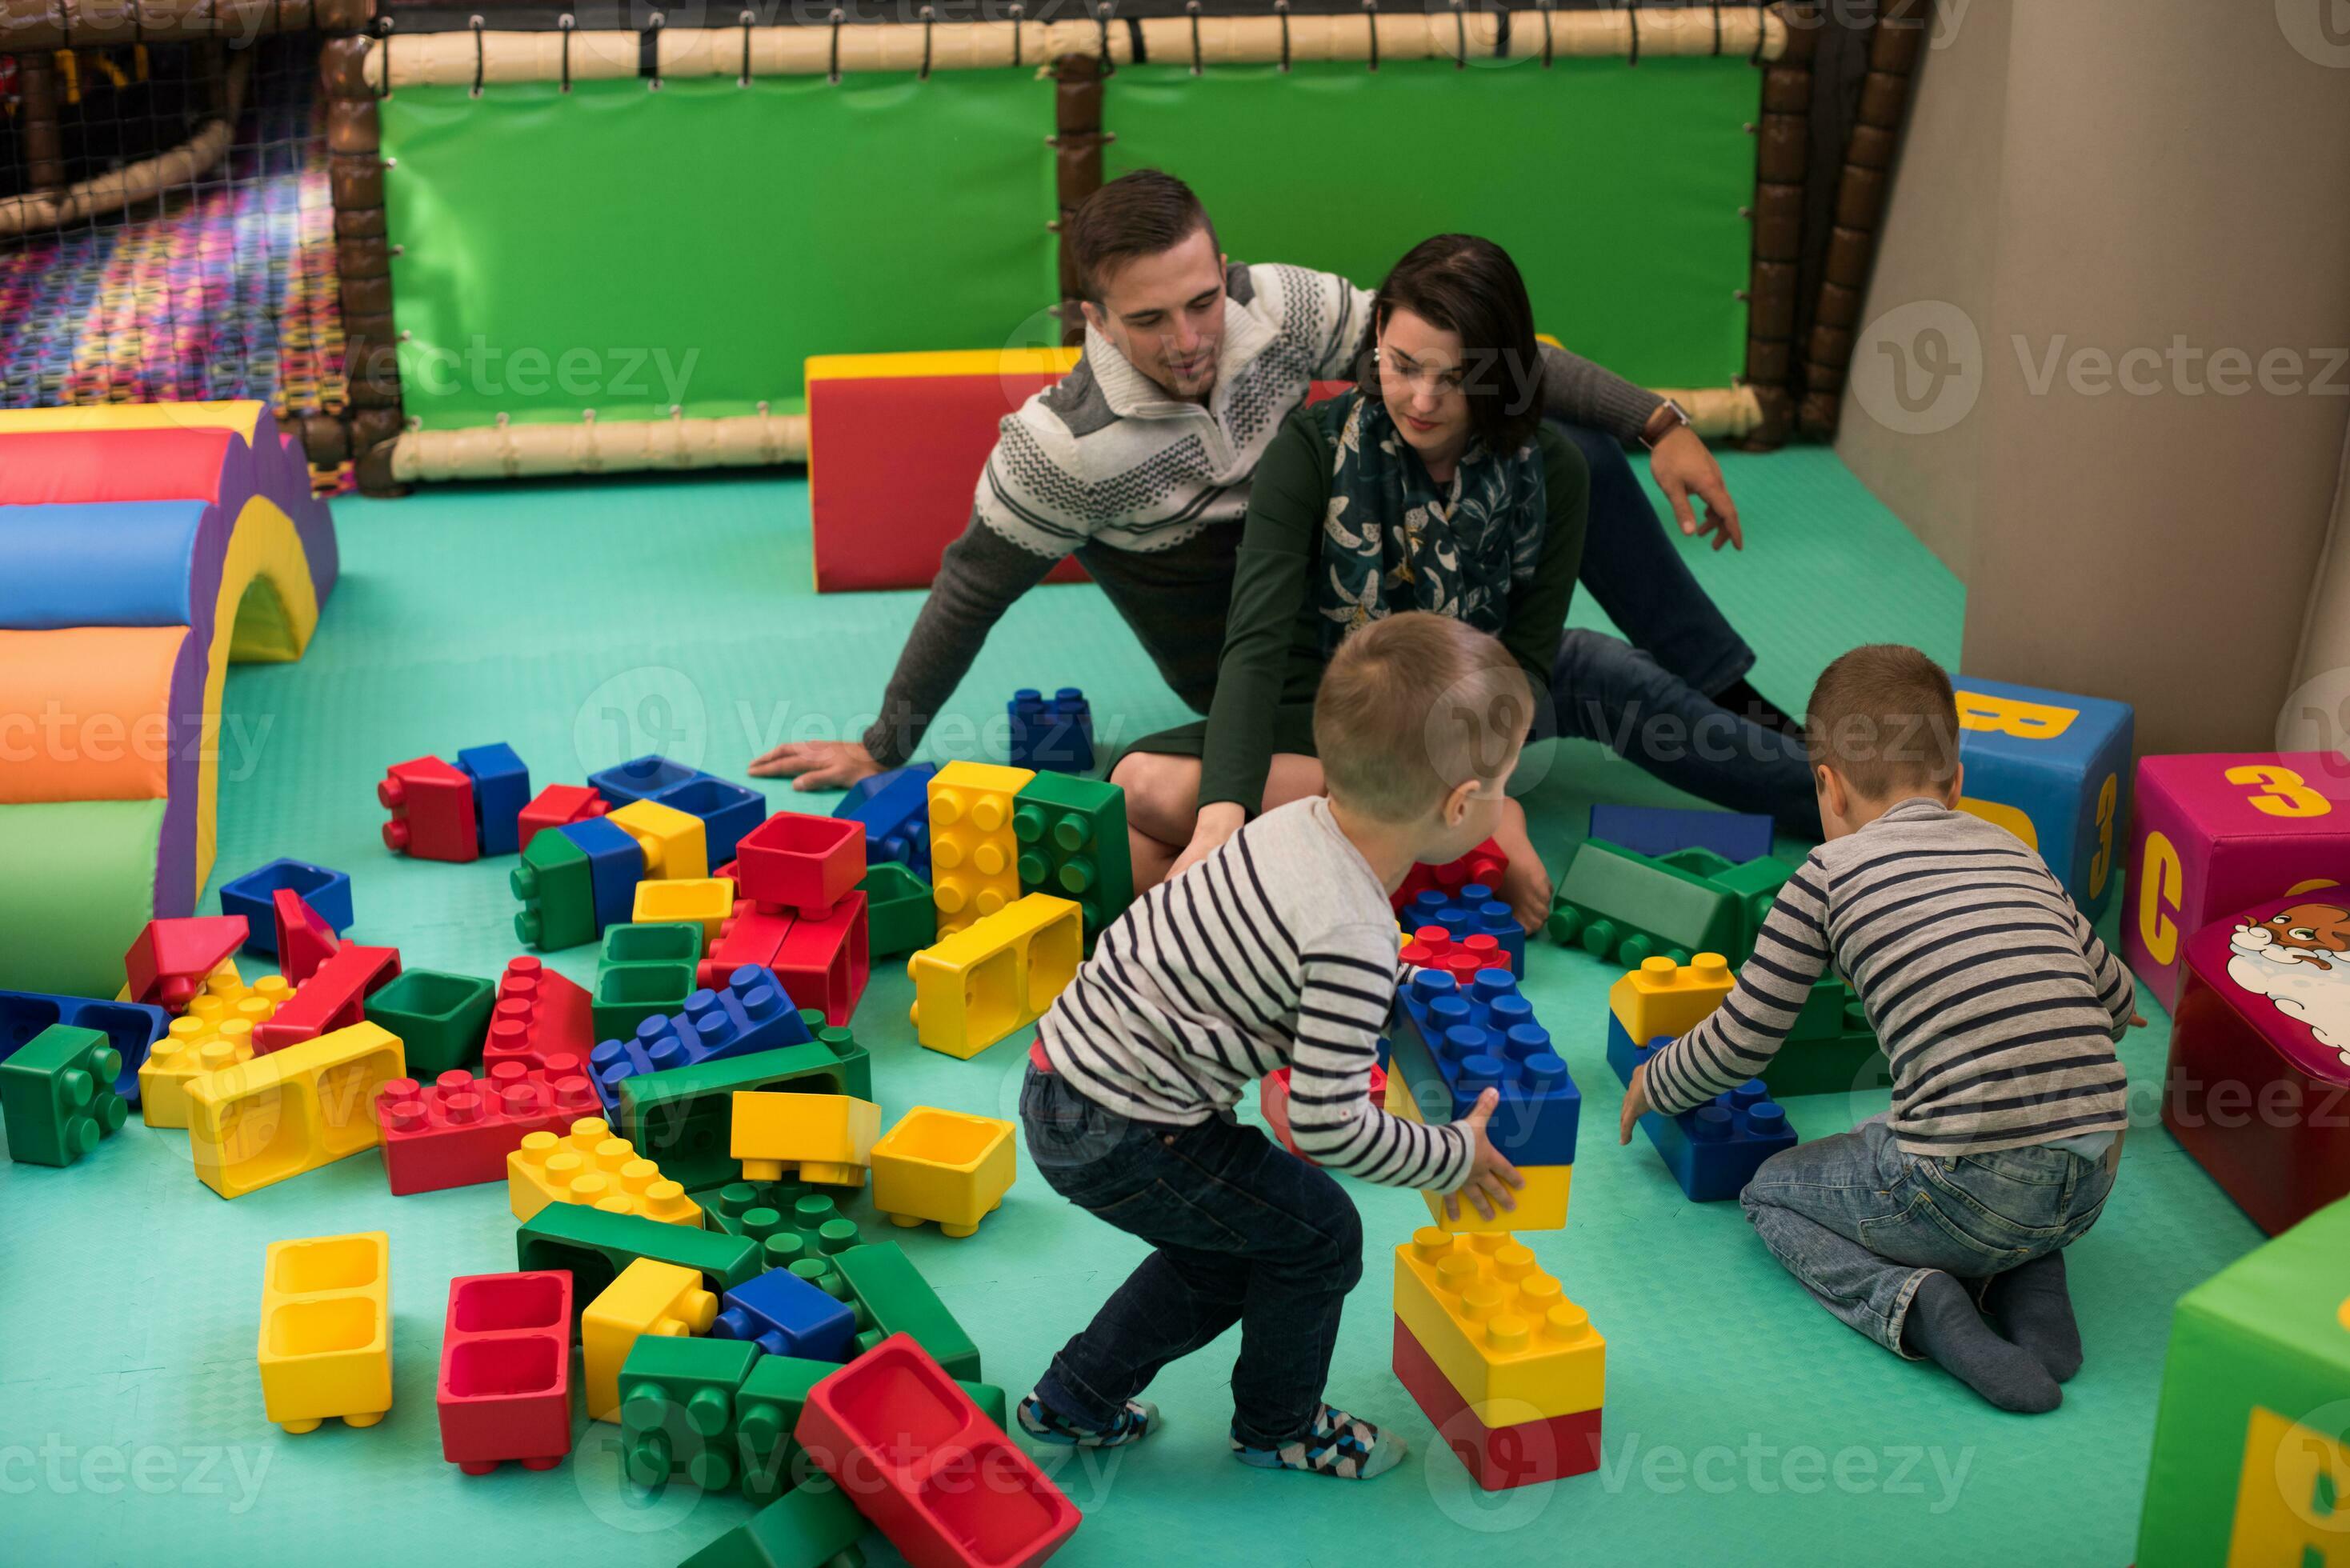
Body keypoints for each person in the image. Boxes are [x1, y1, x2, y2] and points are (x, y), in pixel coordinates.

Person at [751, 170, 1816, 842]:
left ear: (1224, 271)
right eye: (1149, 320)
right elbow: (971, 588)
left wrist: (1657, 420)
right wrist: (886, 742)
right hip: (1270, 677)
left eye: (1202, 301)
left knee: (1573, 451)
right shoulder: (1057, 448)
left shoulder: (1278, 306)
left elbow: (1461, 353)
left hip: (1385, 604)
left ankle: (1734, 701)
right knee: (1148, 783)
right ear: (1094, 317)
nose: (1189, 342)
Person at [1017, 612, 1529, 1478]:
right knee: (1320, 1234)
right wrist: (1452, 1155)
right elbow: (1331, 1128)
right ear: (1458, 805)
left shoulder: (1288, 824)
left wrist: (1378, 992)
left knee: (1228, 1248)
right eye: (1504, 787)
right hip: (1128, 1127)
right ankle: (1281, 1427)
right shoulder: (1353, 931)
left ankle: (1077, 1396)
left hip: (1064, 1075)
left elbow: (1260, 954)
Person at [1618, 644, 2139, 1413]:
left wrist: (1655, 1082)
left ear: (1826, 786)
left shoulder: (1824, 876)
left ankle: (1919, 1305)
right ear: (1956, 785)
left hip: (1961, 1194)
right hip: (2092, 1182)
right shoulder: (2017, 853)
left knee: (1771, 1194)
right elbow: (2117, 1002)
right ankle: (2028, 1274)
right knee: (1923, 1139)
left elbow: (1743, 1040)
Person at [1129, 233, 1580, 925]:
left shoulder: (1553, 470)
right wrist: (1219, 820)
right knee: (1143, 791)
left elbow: (1526, 663)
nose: (1422, 399)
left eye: (1456, 378)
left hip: (1449, 736)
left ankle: (1462, 821)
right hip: (1322, 716)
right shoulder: (1310, 449)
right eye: (1402, 366)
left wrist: (1483, 781)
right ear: (1376, 338)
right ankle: (1443, 840)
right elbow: (1253, 646)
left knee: (1153, 855)